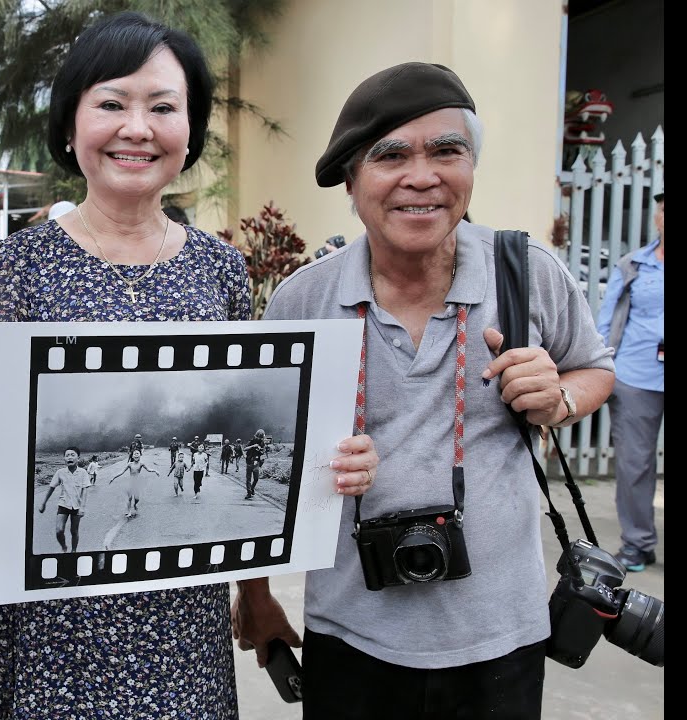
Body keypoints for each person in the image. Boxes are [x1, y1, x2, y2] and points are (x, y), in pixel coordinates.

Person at [0, 12, 377, 717]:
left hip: (184, 627)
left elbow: (265, 407)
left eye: (163, 106)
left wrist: (319, 478)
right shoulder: (21, 266)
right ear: (71, 127)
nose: (138, 128)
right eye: (111, 104)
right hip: (53, 631)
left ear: (188, 132)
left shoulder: (220, 270)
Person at [231, 62, 615, 719]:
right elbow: (255, 451)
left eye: (446, 151)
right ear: (351, 181)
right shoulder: (304, 299)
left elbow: (595, 368)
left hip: (501, 638)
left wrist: (561, 399)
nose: (422, 176)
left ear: (470, 168)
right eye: (390, 155)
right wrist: (257, 593)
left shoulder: (527, 273)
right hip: (350, 634)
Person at [596, 190, 664, 572]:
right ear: (658, 217)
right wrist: (603, 366)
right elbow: (606, 321)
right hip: (637, 376)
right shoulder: (633, 264)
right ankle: (637, 544)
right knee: (635, 464)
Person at [38, 447, 89, 552]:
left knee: (74, 531)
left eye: (72, 455)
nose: (69, 457)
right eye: (67, 455)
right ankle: (64, 547)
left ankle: (74, 550)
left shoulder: (83, 472)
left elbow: (85, 490)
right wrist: (43, 503)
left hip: (77, 506)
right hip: (63, 504)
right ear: (64, 459)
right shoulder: (60, 472)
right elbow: (51, 487)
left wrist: (82, 507)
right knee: (59, 530)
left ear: (78, 458)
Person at [110, 448, 160, 517]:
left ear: (140, 455)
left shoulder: (141, 464)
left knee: (137, 499)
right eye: (135, 454)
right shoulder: (130, 464)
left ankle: (135, 504)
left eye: (138, 454)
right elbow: (121, 472)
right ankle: (129, 511)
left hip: (137, 483)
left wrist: (155, 471)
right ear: (132, 456)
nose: (136, 455)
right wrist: (113, 477)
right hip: (130, 482)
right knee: (129, 498)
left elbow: (149, 469)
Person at [242, 429, 268, 499]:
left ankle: (252, 488)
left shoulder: (262, 443)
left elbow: (263, 454)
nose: (259, 438)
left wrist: (261, 451)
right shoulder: (252, 441)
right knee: (248, 478)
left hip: (256, 462)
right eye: (258, 436)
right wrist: (253, 446)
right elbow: (245, 449)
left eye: (260, 437)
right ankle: (249, 493)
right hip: (249, 461)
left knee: (256, 478)